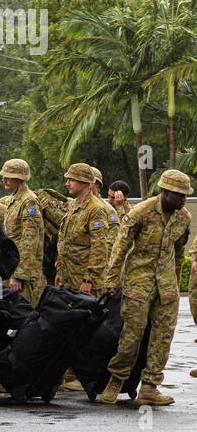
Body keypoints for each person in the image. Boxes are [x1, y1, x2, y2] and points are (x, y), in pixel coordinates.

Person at [99, 169, 192, 406]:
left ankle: (150, 387)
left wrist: (176, 279)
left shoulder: (184, 218)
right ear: (166, 193)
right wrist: (111, 280)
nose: (183, 200)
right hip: (138, 283)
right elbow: (120, 248)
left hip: (167, 287)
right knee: (132, 336)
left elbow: (179, 252)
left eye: (185, 196)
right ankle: (116, 381)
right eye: (179, 195)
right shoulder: (141, 212)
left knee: (162, 339)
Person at [54, 163, 115, 391]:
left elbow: (100, 248)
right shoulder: (73, 206)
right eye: (67, 179)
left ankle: (86, 376)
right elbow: (64, 241)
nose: (67, 183)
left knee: (90, 330)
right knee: (71, 327)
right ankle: (69, 373)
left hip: (85, 280)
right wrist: (60, 271)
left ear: (86, 184)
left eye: (72, 179)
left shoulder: (96, 209)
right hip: (69, 277)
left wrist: (88, 279)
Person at [0, 158, 47, 306]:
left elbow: (29, 240)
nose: (4, 179)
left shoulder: (29, 201)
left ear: (20, 178)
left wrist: (19, 275)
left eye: (9, 176)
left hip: (22, 275)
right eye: (4, 176)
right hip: (11, 268)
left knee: (23, 317)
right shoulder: (13, 199)